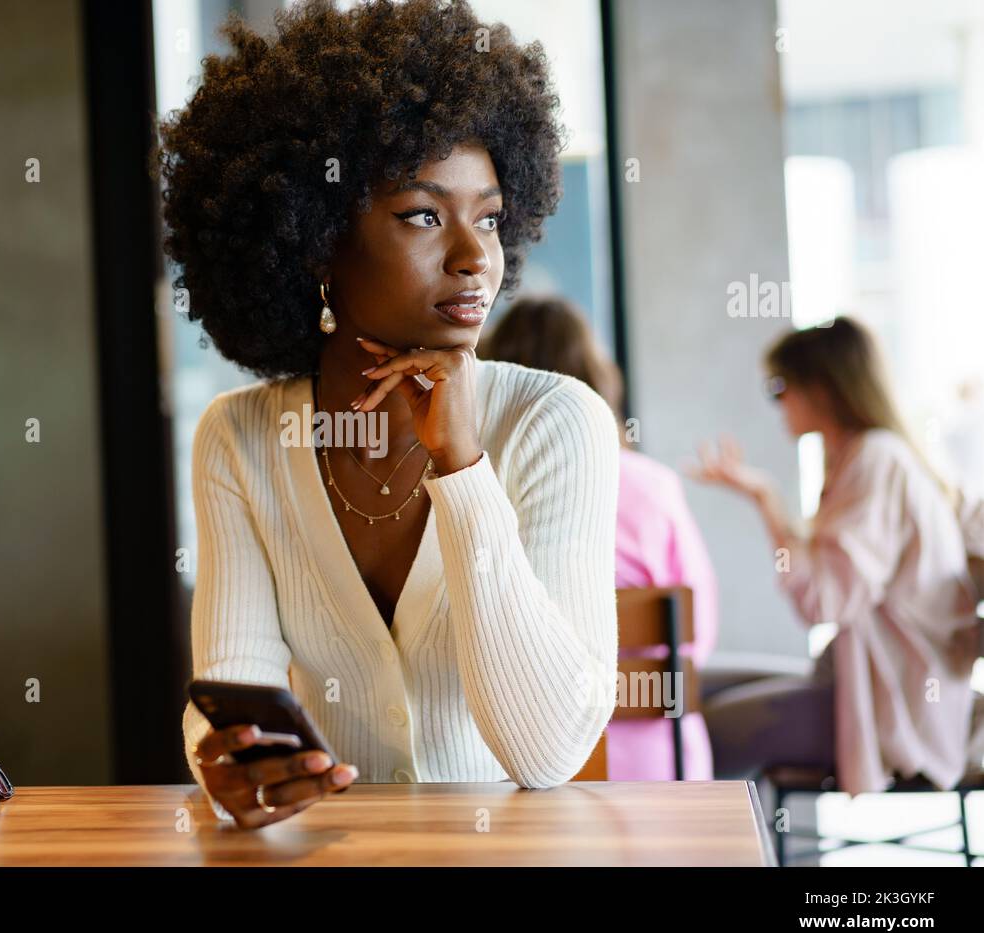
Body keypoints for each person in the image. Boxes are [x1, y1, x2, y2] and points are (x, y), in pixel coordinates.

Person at [159, 0, 619, 828]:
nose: (477, 256)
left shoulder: (559, 423)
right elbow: (235, 691)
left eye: (488, 217)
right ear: (315, 240)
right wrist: (228, 770)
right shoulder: (240, 438)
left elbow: (548, 751)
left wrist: (464, 467)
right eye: (423, 215)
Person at [690, 317, 982, 796]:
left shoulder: (874, 461)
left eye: (779, 387)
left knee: (696, 735)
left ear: (822, 386)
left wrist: (768, 503)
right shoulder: (863, 457)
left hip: (890, 708)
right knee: (687, 691)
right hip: (858, 681)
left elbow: (823, 603)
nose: (776, 402)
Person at [481, 297, 719, 780]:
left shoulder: (480, 484)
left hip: (521, 765)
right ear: (599, 377)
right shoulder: (653, 486)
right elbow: (701, 632)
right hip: (659, 767)